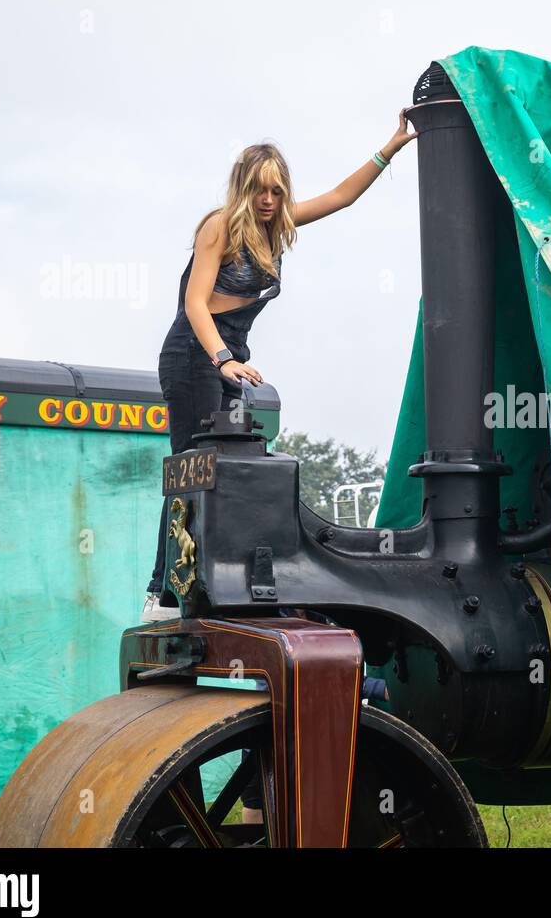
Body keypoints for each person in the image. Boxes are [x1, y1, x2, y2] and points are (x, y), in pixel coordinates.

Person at [142, 118, 418, 622]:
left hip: (227, 362)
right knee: (190, 471)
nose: (269, 199)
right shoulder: (219, 226)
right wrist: (221, 358)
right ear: (243, 188)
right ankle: (160, 592)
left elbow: (339, 196)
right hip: (192, 355)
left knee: (220, 472)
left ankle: (215, 583)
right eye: (260, 190)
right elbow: (196, 304)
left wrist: (392, 147)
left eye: (276, 190)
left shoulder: (277, 227)